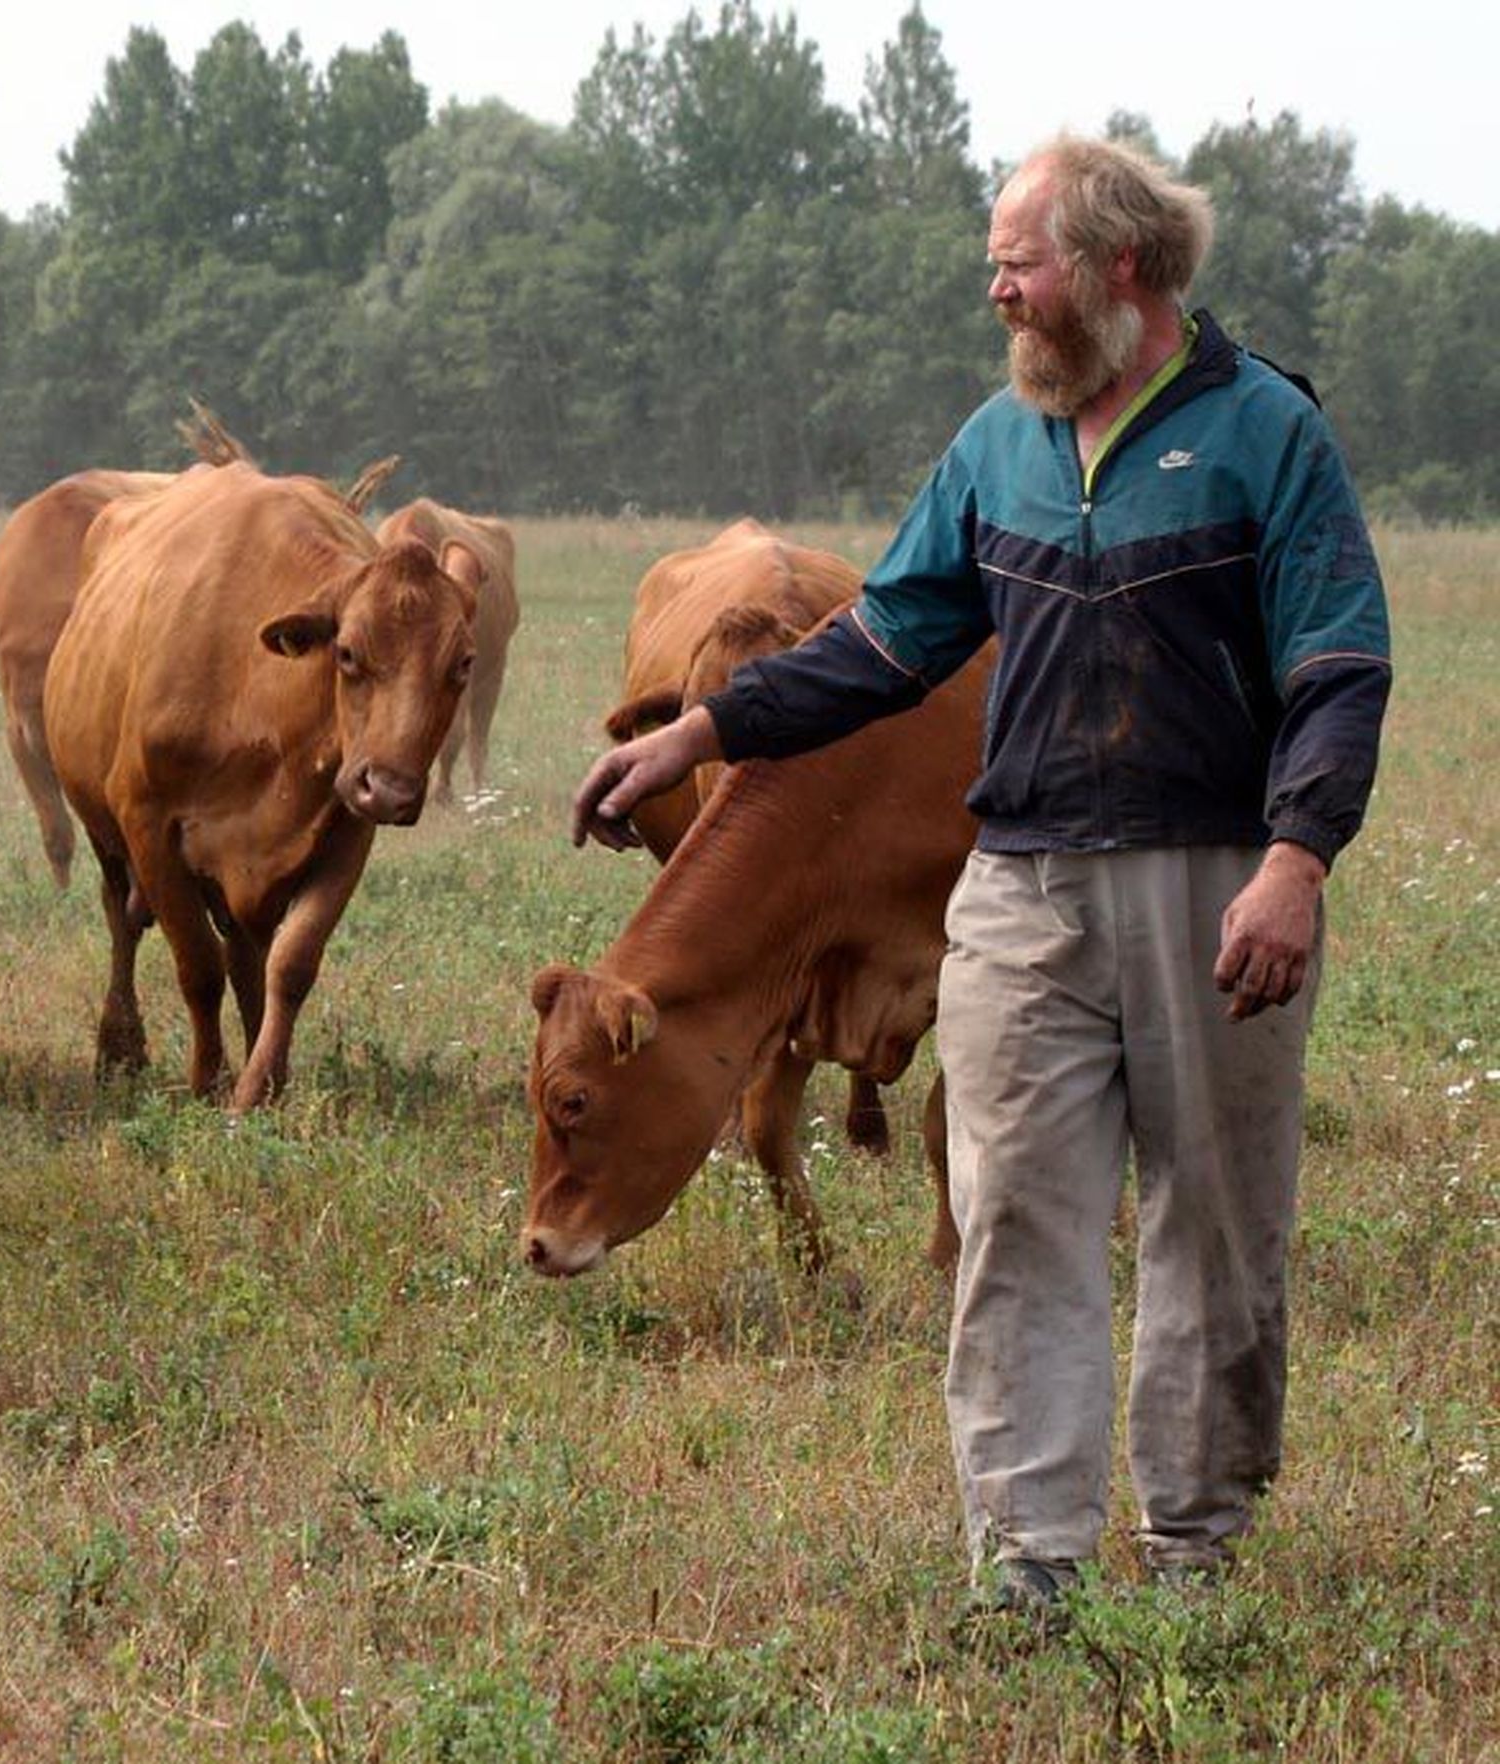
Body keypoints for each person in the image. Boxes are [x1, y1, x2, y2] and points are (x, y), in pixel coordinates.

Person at [572, 135, 1392, 1615]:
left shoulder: (1270, 435)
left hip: (1213, 884)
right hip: (1019, 886)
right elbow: (886, 639)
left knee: (1213, 1218)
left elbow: (1339, 663)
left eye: (1017, 263)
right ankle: (1029, 1561)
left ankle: (1197, 1548)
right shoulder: (998, 444)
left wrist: (1296, 858)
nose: (997, 290)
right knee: (1012, 1209)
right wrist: (700, 727)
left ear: (1114, 267)